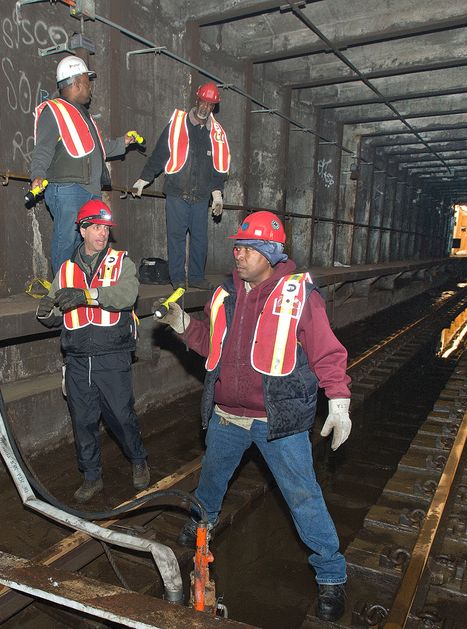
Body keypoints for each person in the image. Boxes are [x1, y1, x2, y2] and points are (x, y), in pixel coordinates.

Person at [158, 210, 353, 621]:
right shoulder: (225, 294)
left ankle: (332, 576)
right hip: (228, 417)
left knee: (303, 498)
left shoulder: (299, 294)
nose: (239, 255)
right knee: (209, 488)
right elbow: (211, 344)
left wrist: (338, 399)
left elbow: (326, 351)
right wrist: (182, 325)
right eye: (237, 248)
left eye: (248, 249)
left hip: (277, 423)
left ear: (270, 254)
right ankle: (200, 531)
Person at [37, 199, 150, 503]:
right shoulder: (66, 270)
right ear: (82, 230)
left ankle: (138, 459)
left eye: (105, 228)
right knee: (83, 421)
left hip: (111, 355)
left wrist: (86, 295)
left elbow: (127, 295)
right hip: (77, 358)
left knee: (121, 417)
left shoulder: (121, 262)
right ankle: (91, 476)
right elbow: (57, 309)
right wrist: (47, 311)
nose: (102, 233)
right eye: (96, 227)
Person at [31, 55, 137, 274]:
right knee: (67, 239)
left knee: (90, 243)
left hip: (90, 190)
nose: (91, 89)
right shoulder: (55, 111)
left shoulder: (83, 116)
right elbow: (43, 148)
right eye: (88, 83)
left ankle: (84, 286)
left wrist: (123, 143)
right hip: (68, 189)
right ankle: (61, 291)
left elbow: (98, 148)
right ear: (76, 82)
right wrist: (37, 175)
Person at [131, 81, 230, 292]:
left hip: (201, 197)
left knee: (200, 240)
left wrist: (217, 194)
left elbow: (218, 167)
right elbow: (159, 154)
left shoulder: (216, 134)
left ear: (214, 107)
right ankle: (177, 278)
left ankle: (196, 277)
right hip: (177, 193)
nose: (205, 108)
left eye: (210, 105)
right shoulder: (177, 125)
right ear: (197, 100)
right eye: (203, 102)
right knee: (175, 238)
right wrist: (143, 179)